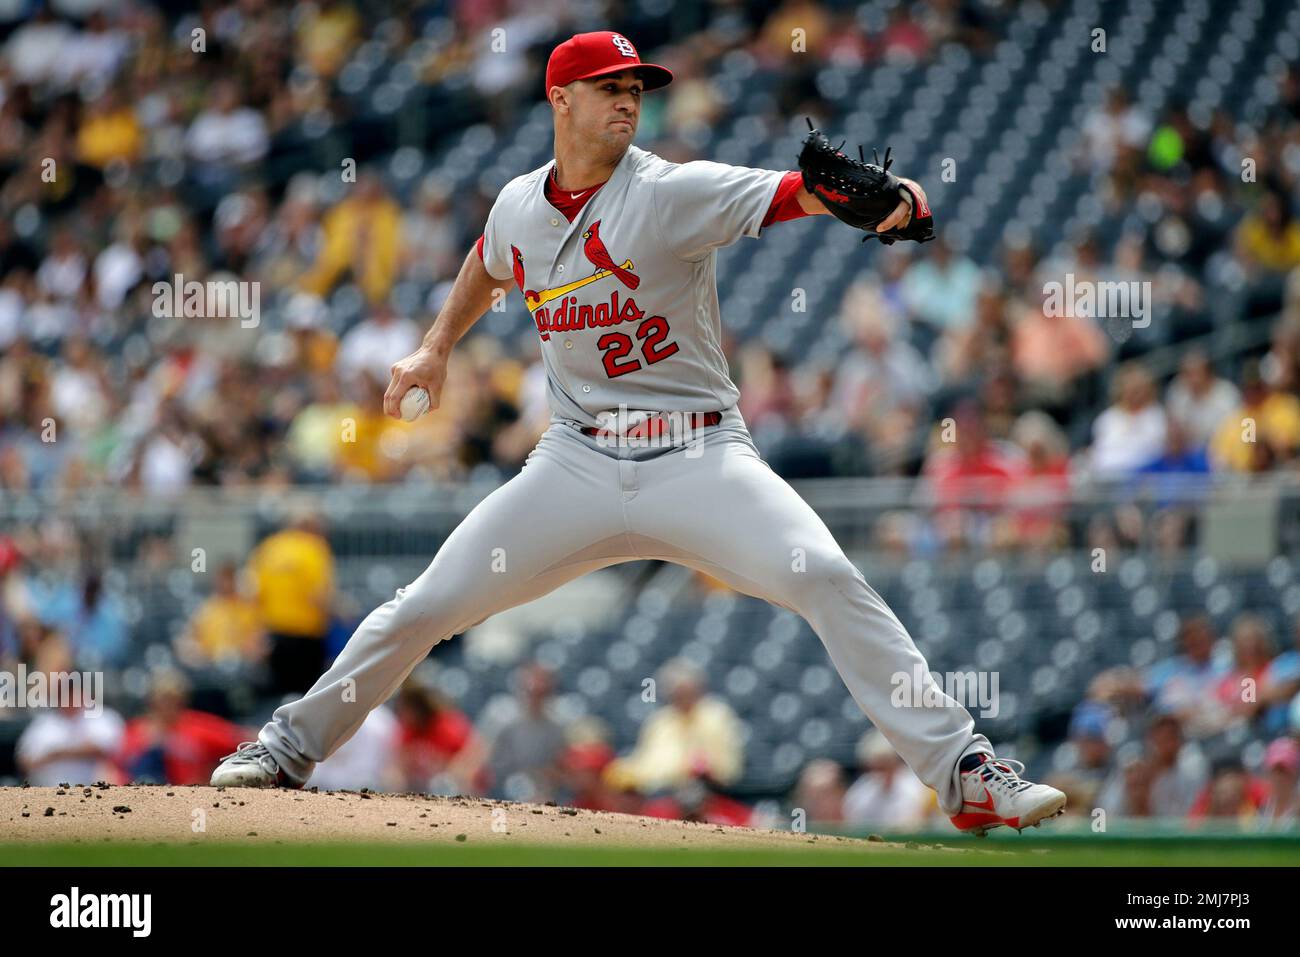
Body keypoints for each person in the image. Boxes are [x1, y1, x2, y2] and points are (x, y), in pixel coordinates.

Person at [213, 30, 1066, 837]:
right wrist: (437, 347)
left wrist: (887, 201)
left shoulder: (667, 191)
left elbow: (794, 192)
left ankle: (966, 772)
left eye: (635, 90)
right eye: (608, 89)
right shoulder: (520, 205)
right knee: (428, 605)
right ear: (560, 100)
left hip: (699, 457)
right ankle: (284, 748)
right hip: (575, 463)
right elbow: (488, 255)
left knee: (827, 575)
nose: (627, 103)